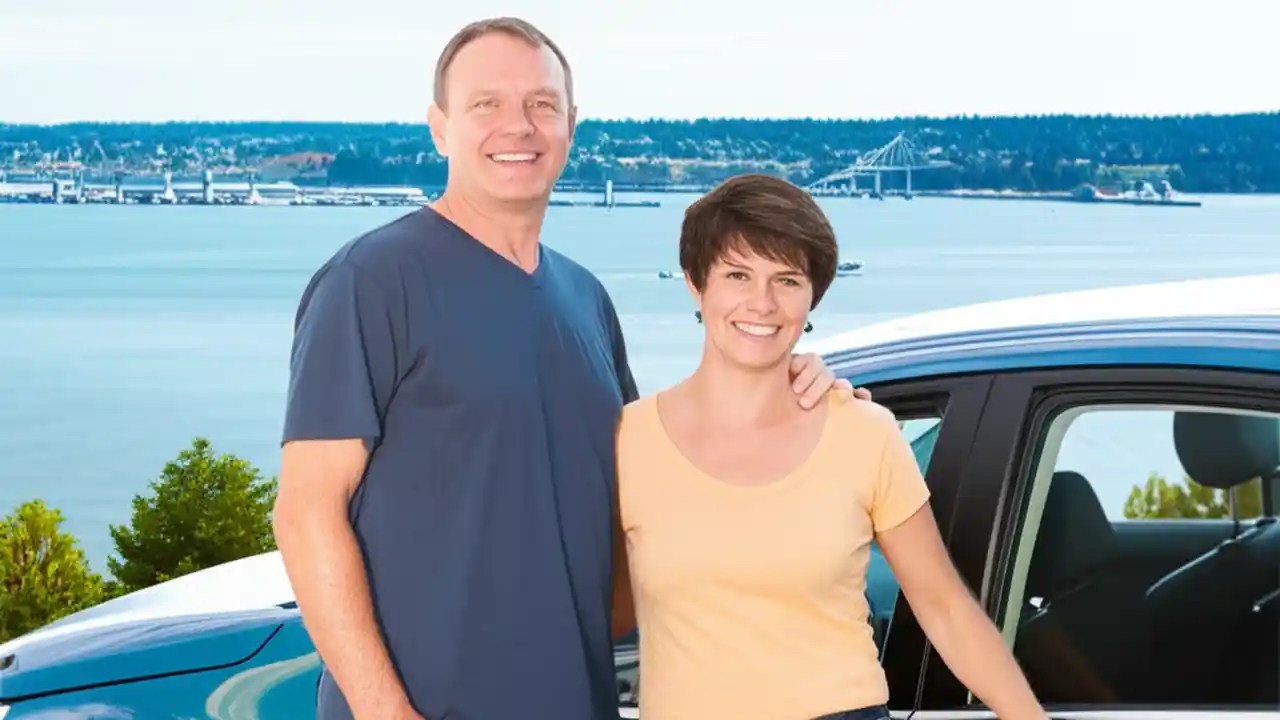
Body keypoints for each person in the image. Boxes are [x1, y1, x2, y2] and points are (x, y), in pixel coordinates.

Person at [271, 18, 861, 720]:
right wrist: (382, 710)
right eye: (486, 104)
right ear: (440, 128)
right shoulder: (371, 281)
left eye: (541, 104)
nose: (518, 126)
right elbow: (307, 512)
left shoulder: (585, 300)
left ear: (570, 127)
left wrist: (798, 400)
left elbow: (648, 497)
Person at [612, 174, 1048, 720]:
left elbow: (946, 609)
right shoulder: (629, 441)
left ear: (811, 296)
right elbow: (598, 616)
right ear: (696, 285)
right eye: (737, 275)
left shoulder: (864, 433)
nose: (762, 303)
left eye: (787, 280)